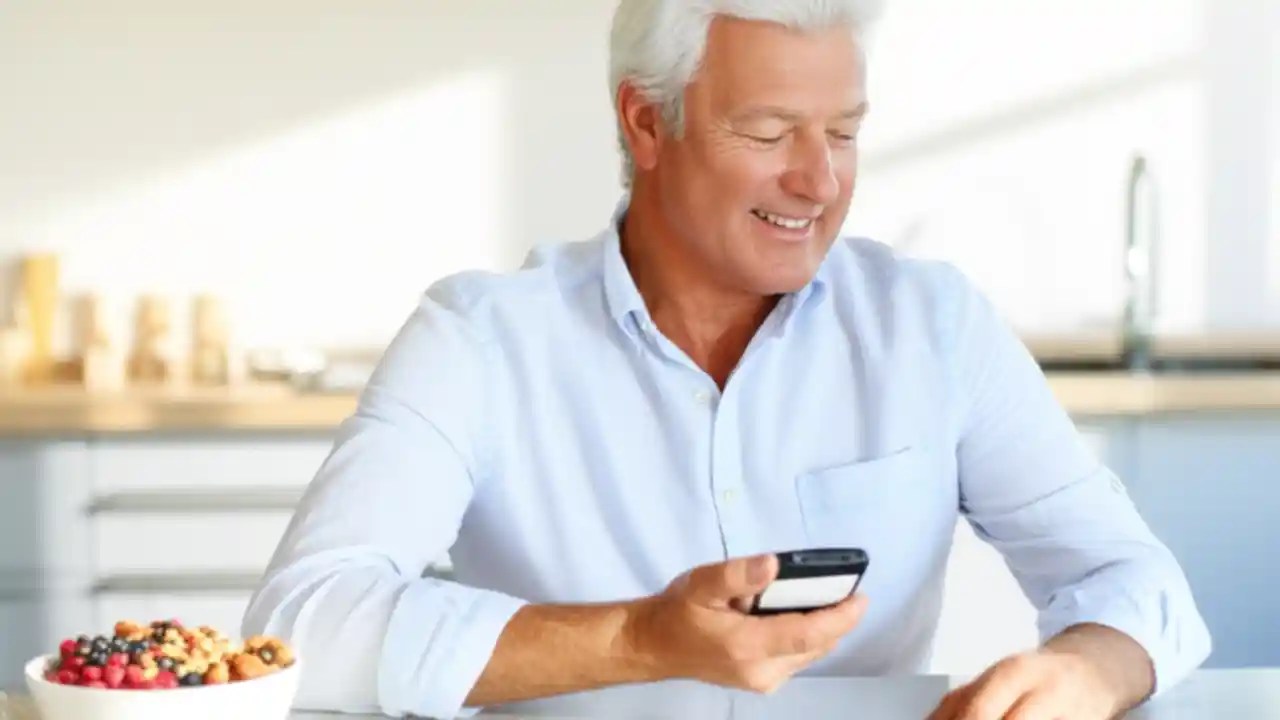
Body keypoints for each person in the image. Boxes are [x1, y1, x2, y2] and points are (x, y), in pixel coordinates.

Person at [244, 2, 1211, 718]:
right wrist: (636, 639)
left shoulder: (933, 327)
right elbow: (301, 626)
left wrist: (1090, 670)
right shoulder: (480, 342)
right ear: (644, 122)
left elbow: (1136, 580)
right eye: (767, 131)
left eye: (843, 132)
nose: (818, 181)